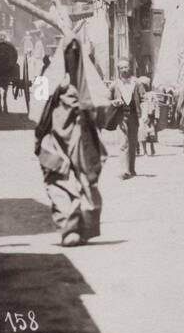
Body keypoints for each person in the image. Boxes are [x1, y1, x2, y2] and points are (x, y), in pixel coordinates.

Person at [35, 36, 108, 247]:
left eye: (76, 54)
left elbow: (101, 109)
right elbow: (40, 110)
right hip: (55, 139)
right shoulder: (51, 82)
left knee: (86, 181)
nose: (72, 59)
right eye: (69, 54)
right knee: (58, 181)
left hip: (81, 139)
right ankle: (69, 228)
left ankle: (84, 226)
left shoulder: (88, 85)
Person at [108, 59, 141, 179]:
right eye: (121, 68)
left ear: (130, 68)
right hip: (121, 117)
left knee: (132, 143)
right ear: (118, 70)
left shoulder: (136, 83)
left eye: (126, 67)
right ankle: (124, 170)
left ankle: (131, 169)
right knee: (123, 143)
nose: (124, 70)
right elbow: (107, 99)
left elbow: (143, 98)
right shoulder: (115, 84)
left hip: (133, 116)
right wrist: (114, 102)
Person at [137, 76, 159, 156]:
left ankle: (152, 147)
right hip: (141, 116)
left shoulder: (152, 94)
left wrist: (156, 117)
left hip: (150, 117)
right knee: (142, 133)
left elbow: (156, 106)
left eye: (143, 85)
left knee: (151, 134)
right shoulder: (138, 95)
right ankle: (144, 151)